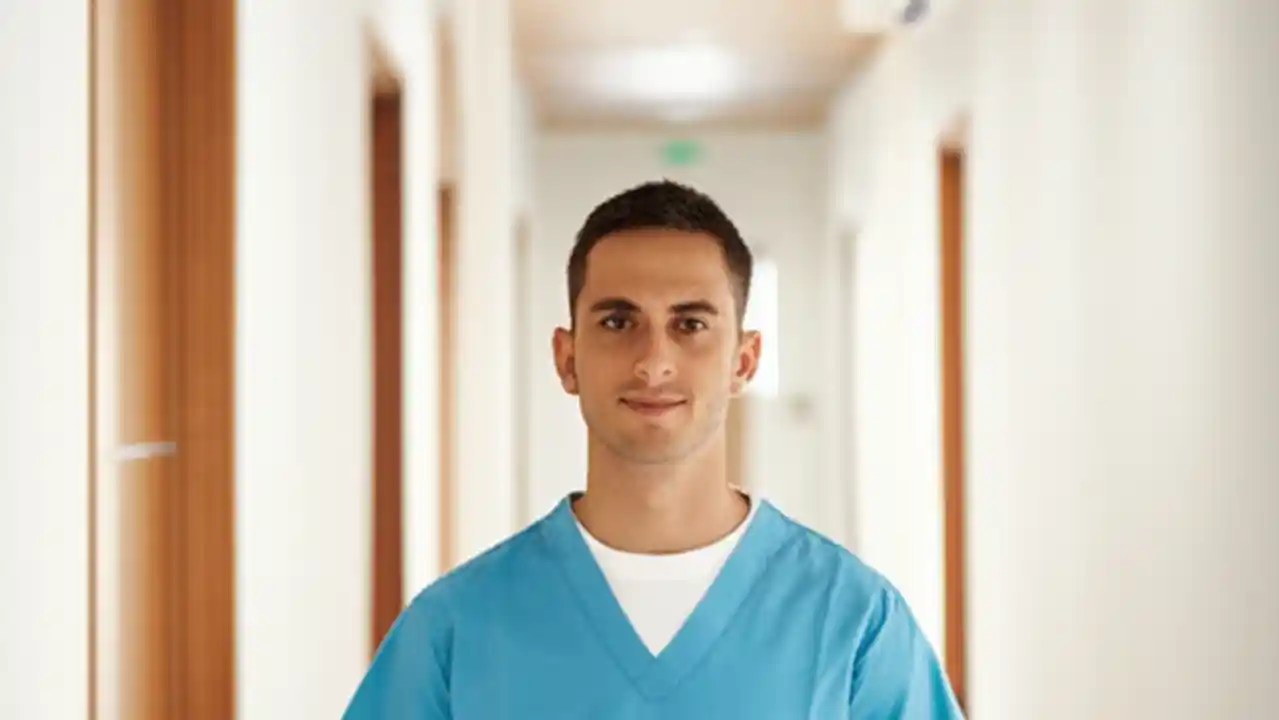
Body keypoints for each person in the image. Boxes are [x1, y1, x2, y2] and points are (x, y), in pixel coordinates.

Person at [344, 180, 964, 718]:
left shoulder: (852, 623)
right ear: (567, 358)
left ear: (743, 361)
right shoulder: (456, 631)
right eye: (619, 322)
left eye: (690, 324)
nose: (654, 362)